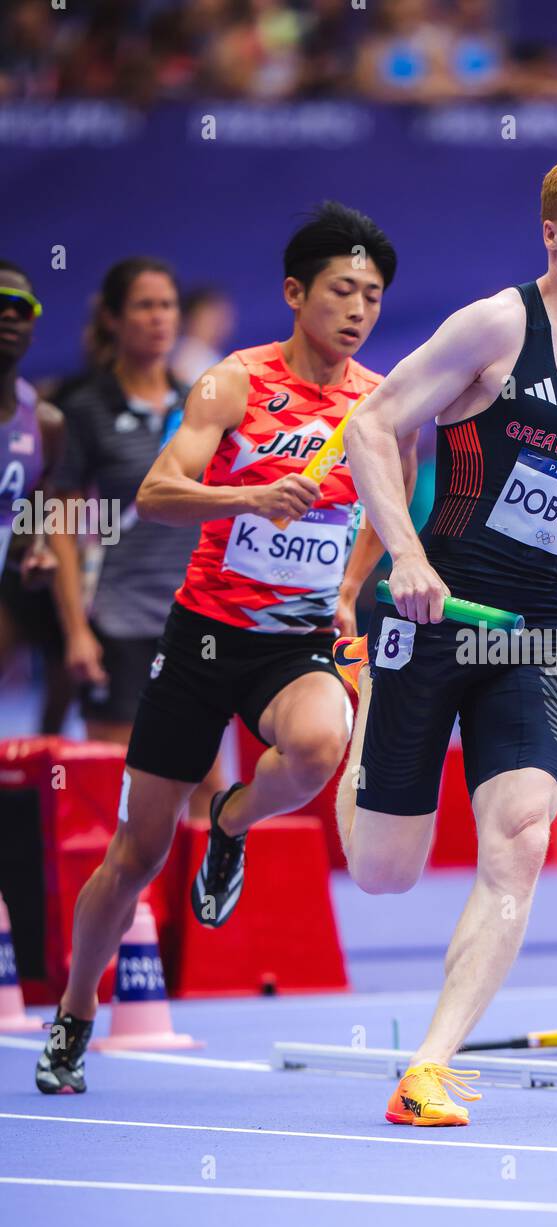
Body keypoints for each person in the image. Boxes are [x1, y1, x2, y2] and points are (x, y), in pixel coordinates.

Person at [35, 202, 411, 1096]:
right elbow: (160, 493)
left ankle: (234, 821)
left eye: (372, 296)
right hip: (203, 638)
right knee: (138, 853)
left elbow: (384, 513)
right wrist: (248, 500)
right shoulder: (231, 385)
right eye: (340, 291)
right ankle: (77, 1012)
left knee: (321, 747)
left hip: (296, 642)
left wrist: (352, 591)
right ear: (294, 293)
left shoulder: (379, 401)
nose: (358, 309)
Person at [333, 151, 557, 1126]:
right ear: (551, 235)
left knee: (518, 837)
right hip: (433, 614)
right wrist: (404, 558)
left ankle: (428, 1066)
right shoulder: (495, 326)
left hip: (530, 631)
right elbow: (373, 424)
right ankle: (364, 709)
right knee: (385, 872)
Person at [47, 258, 198, 756]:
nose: (159, 318)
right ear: (113, 318)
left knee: (202, 783)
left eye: (168, 306)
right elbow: (62, 530)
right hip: (117, 624)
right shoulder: (86, 410)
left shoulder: (201, 403)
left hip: (193, 620)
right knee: (120, 778)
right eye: (144, 306)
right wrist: (76, 633)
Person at [0, 261, 68, 731]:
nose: (8, 316)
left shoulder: (45, 422)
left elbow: (33, 521)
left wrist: (38, 552)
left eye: (20, 308)